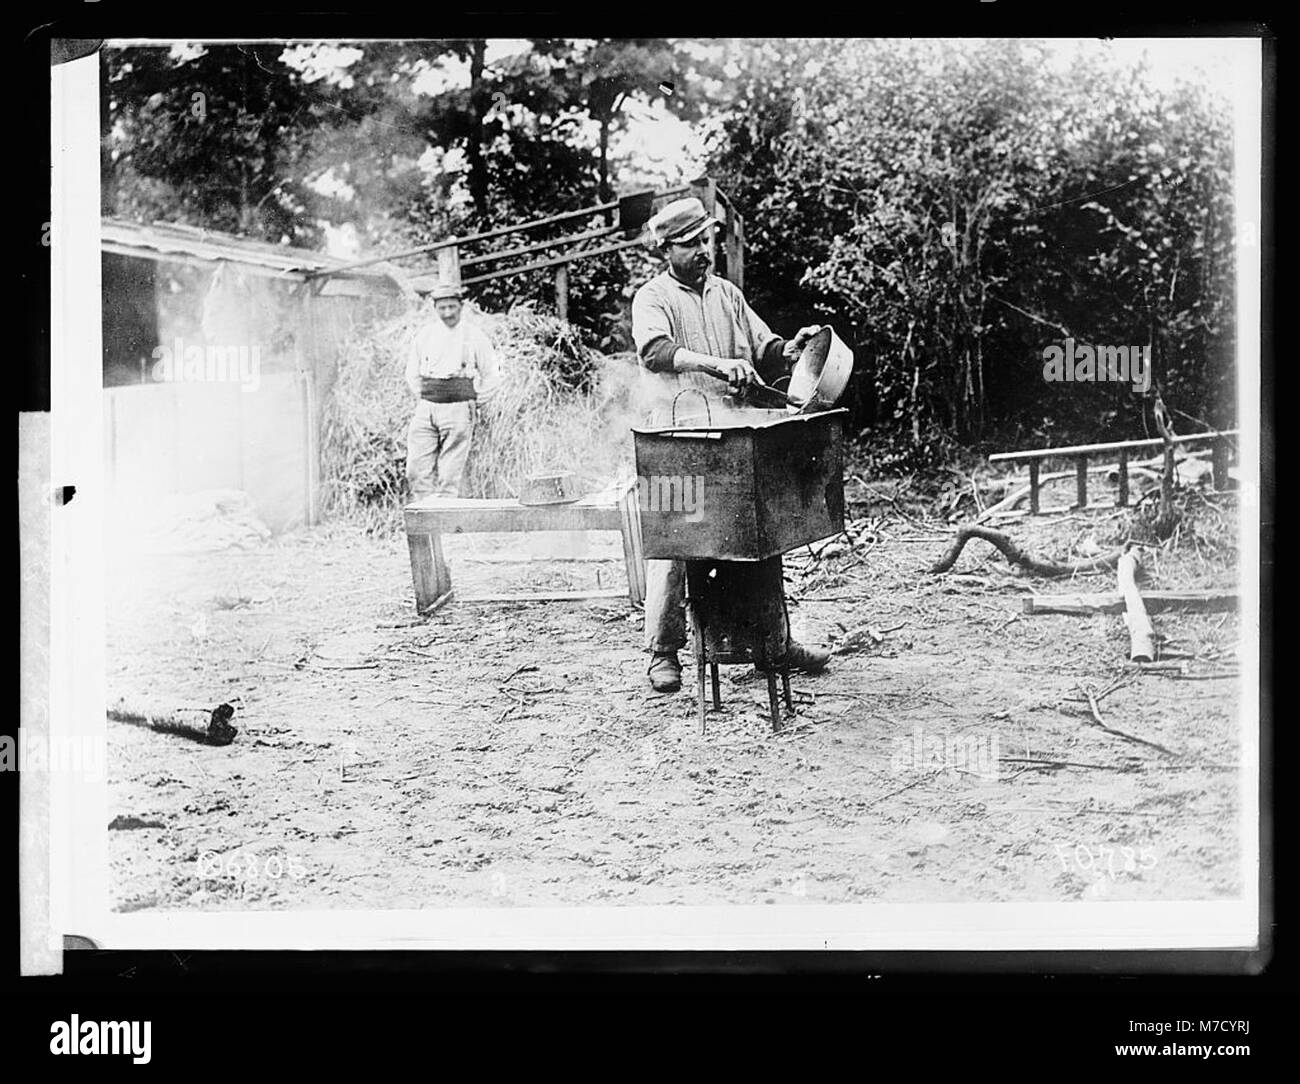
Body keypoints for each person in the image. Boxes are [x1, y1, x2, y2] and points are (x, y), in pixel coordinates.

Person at [631, 196, 832, 693]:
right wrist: (715, 365)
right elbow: (655, 353)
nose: (703, 250)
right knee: (673, 543)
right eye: (691, 243)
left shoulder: (727, 294)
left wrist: (793, 347)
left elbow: (764, 347)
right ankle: (663, 652)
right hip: (675, 438)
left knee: (758, 536)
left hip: (733, 435)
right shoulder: (652, 297)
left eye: (707, 240)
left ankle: (773, 644)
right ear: (666, 250)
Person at [404, 282, 500, 500]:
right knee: (416, 470)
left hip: (458, 409)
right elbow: (411, 374)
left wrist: (474, 400)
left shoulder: (474, 336)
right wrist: (427, 396)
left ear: (461, 306)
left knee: (449, 476)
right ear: (434, 308)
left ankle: (446, 526)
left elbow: (492, 374)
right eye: (442, 308)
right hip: (427, 407)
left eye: (452, 307)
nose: (447, 313)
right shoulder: (425, 335)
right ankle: (427, 522)